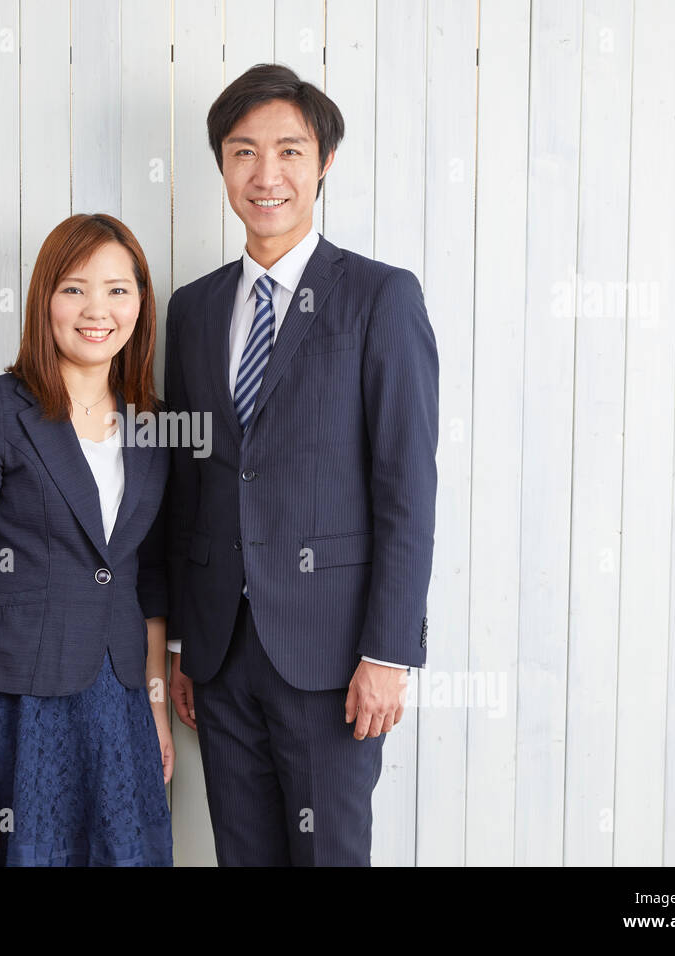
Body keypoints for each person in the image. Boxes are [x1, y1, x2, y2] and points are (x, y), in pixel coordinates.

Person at [162, 64, 440, 866]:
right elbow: (191, 481)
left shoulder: (381, 299)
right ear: (221, 166)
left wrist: (388, 653)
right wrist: (183, 642)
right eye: (244, 152)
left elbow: (406, 490)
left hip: (333, 657)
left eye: (289, 150)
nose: (266, 174)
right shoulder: (194, 309)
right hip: (220, 655)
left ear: (323, 164)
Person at [0, 213, 174, 866]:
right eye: (74, 288)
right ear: (43, 301)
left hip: (118, 704)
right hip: (11, 706)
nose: (97, 309)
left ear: (140, 302)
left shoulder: (154, 424)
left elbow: (149, 577)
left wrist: (157, 707)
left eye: (118, 289)